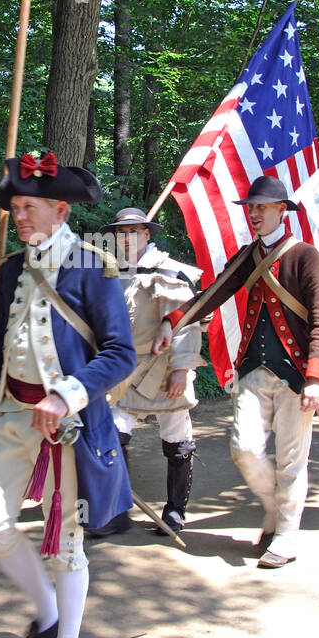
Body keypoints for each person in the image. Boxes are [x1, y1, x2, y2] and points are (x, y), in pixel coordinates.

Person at [0, 152, 135, 638]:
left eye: (31, 207)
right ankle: (47, 614)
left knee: (64, 543)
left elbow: (120, 353)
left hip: (67, 426)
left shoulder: (94, 265)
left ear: (60, 210)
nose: (20, 216)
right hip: (12, 415)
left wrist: (67, 394)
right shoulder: (9, 269)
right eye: (16, 207)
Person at [153, 176, 319, 569]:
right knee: (245, 449)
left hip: (297, 375)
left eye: (261, 207)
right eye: (250, 208)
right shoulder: (249, 255)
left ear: (281, 211)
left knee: (290, 460)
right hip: (254, 370)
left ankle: (285, 534)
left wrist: (317, 377)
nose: (253, 214)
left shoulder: (306, 257)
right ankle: (276, 511)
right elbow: (214, 292)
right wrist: (173, 321)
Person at [101, 207, 204, 536]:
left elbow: (185, 325)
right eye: (122, 232)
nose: (127, 237)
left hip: (164, 368)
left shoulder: (169, 271)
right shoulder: (111, 271)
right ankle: (116, 509)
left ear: (147, 234)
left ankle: (175, 511)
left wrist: (182, 369)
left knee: (176, 441)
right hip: (125, 370)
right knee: (113, 435)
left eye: (134, 231)